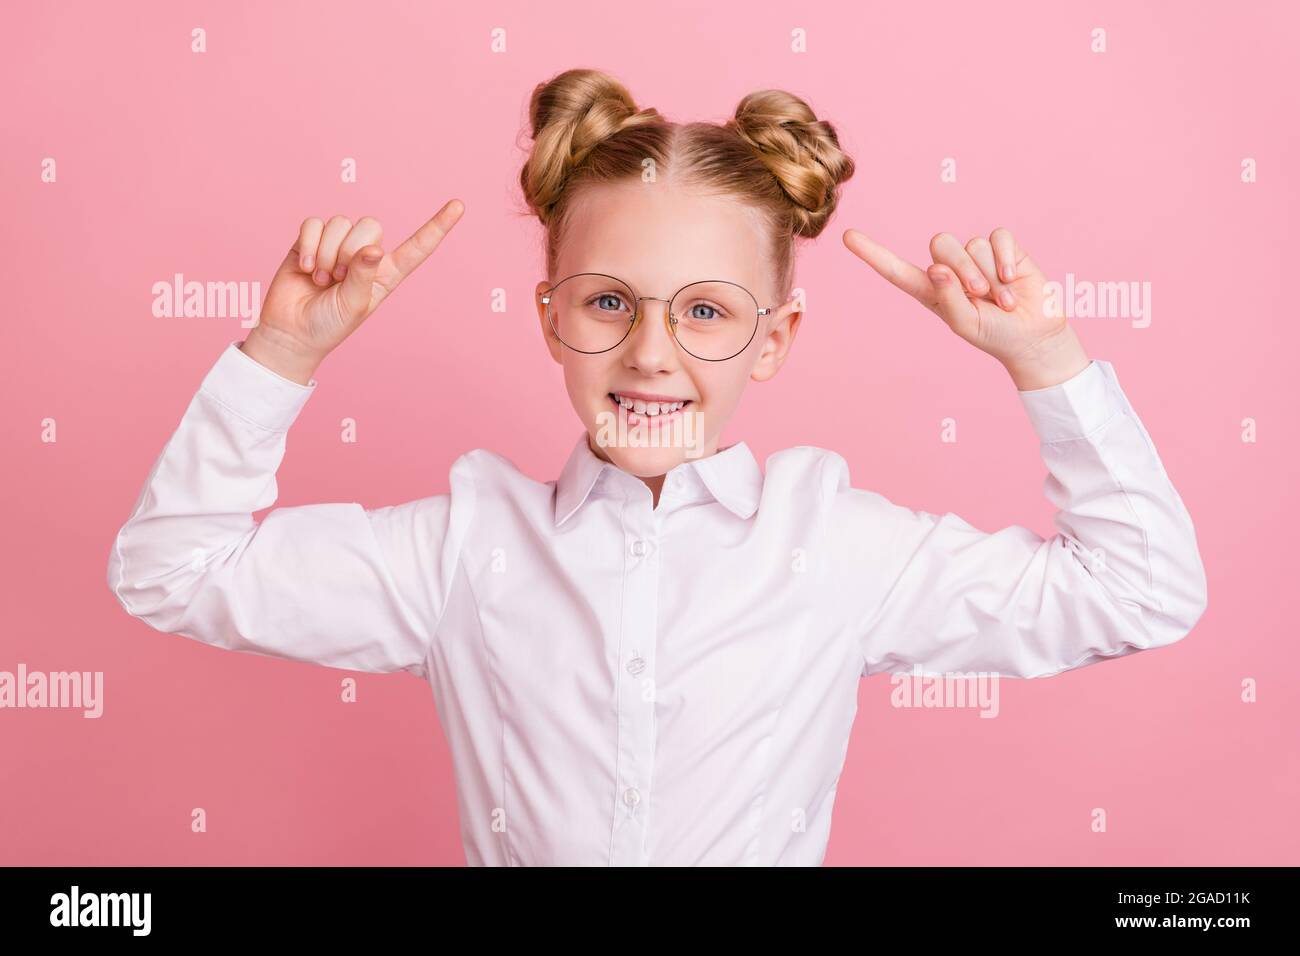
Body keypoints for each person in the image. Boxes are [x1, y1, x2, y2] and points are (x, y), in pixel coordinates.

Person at [106, 68, 1207, 866]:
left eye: (707, 311)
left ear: (771, 340)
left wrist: (1047, 364)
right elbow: (172, 571)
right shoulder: (461, 547)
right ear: (550, 315)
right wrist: (282, 355)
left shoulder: (834, 547)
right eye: (607, 300)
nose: (649, 351)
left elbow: (1143, 591)